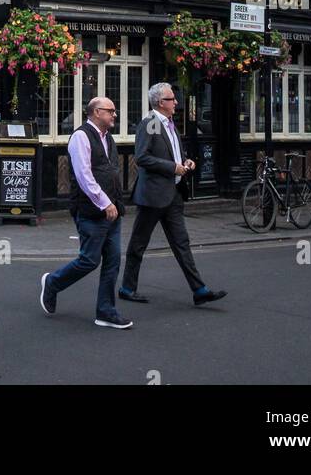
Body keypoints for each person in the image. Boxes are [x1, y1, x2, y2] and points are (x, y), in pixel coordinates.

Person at [119, 83, 227, 308]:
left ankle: (199, 290)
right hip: (153, 195)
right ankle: (127, 288)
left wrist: (185, 161)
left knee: (182, 243)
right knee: (139, 243)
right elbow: (142, 157)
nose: (176, 102)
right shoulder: (151, 123)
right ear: (161, 102)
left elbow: (173, 153)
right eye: (172, 99)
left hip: (174, 194)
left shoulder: (169, 123)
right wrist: (172, 167)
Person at [40, 96, 132, 329]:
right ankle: (52, 282)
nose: (114, 114)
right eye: (110, 111)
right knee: (89, 260)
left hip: (113, 210)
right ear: (96, 112)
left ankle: (106, 312)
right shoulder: (81, 136)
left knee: (113, 261)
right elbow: (84, 176)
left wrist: (116, 203)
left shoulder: (107, 137)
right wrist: (105, 203)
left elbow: (110, 171)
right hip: (91, 210)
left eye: (114, 111)